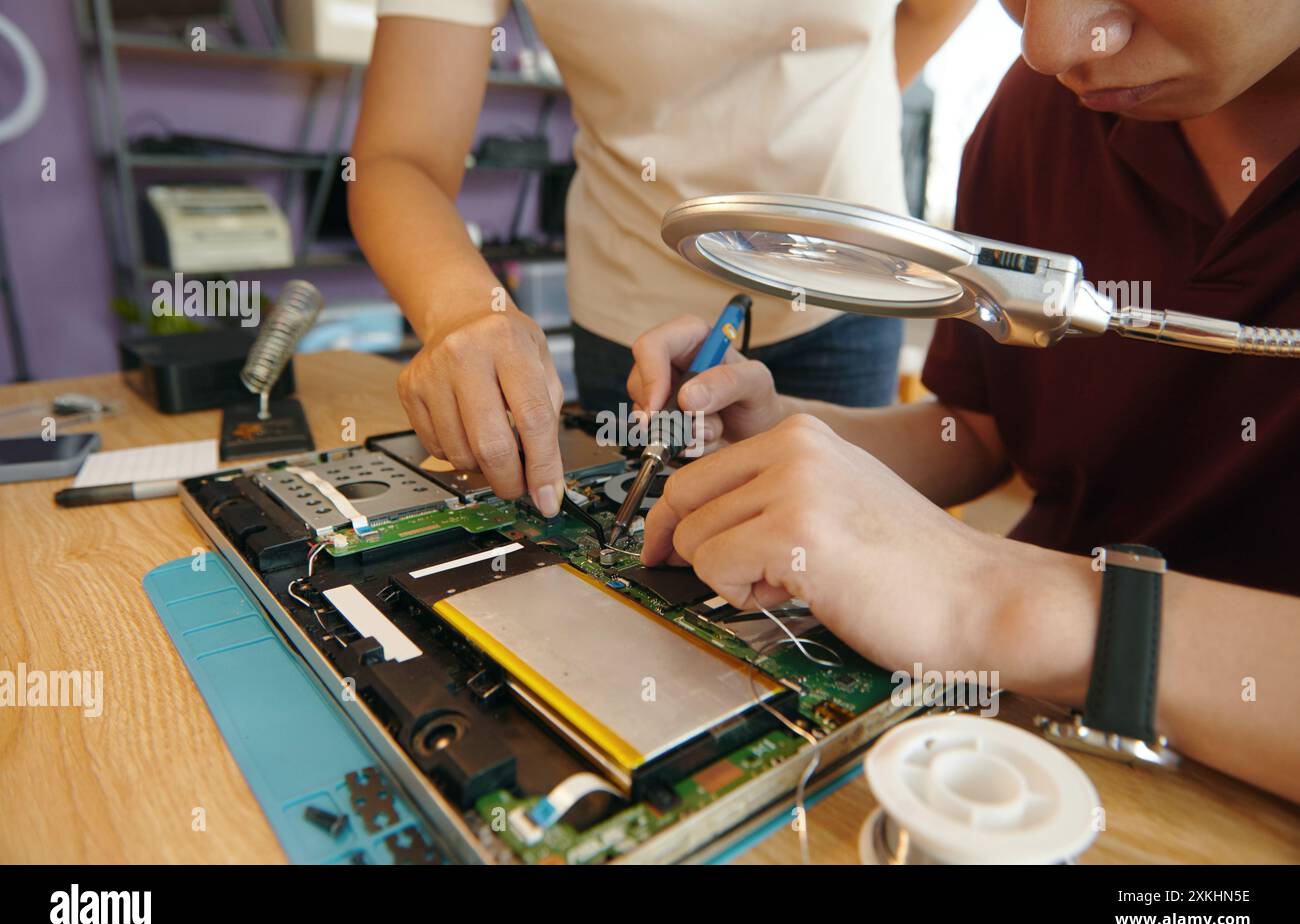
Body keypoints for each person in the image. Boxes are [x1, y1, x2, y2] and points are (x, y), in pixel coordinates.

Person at [628, 0, 1300, 802]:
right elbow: (983, 430)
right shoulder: (1042, 111)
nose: (1049, 46)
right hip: (1016, 735)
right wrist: (785, 435)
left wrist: (1003, 603)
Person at [350, 0, 975, 517]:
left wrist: (834, 116)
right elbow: (399, 156)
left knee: (833, 558)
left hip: (845, 284)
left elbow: (931, 11)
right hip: (632, 296)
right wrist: (459, 310)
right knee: (635, 546)